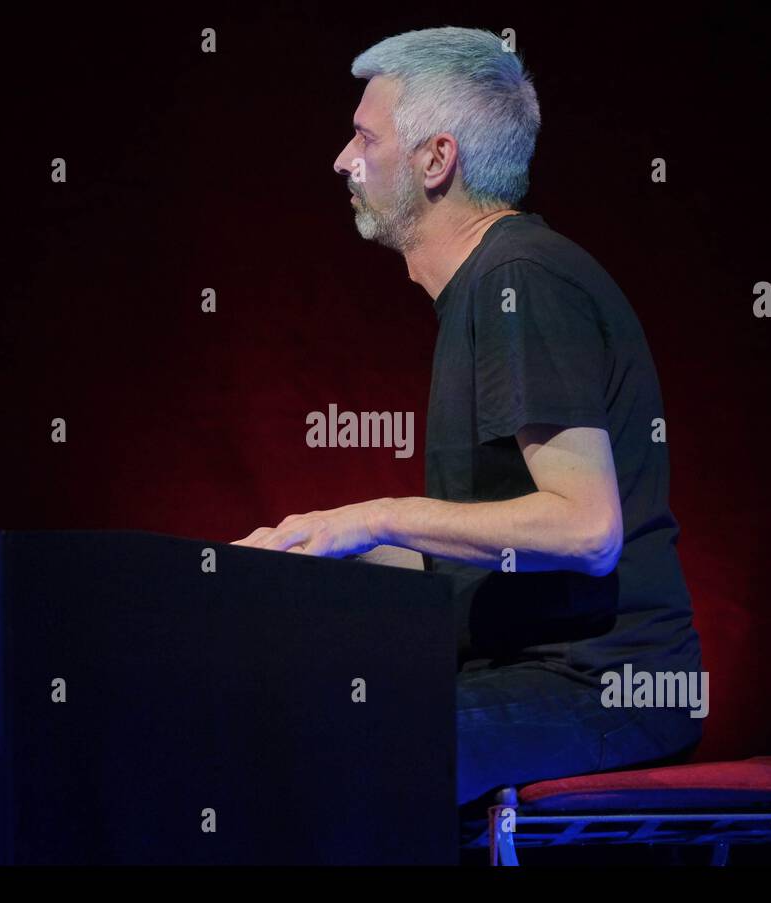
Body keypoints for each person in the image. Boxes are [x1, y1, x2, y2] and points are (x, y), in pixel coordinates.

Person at [233, 26, 704, 806]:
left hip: (603, 684)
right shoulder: (487, 289)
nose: (342, 161)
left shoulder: (518, 278)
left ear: (436, 159)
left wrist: (376, 514)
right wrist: (303, 552)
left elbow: (586, 531)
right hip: (533, 674)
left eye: (363, 136)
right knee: (275, 718)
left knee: (335, 753)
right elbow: (464, 558)